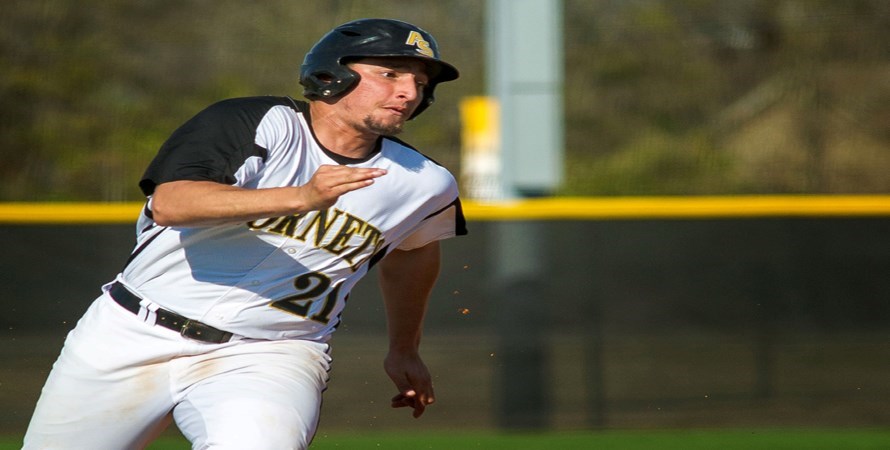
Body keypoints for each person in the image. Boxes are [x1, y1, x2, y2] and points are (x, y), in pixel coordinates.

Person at [23, 18, 465, 450]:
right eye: (389, 75)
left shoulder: (424, 181)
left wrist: (404, 347)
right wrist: (300, 197)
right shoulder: (255, 122)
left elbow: (414, 250)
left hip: (270, 354)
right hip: (132, 332)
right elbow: (172, 203)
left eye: (420, 84)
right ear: (333, 74)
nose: (408, 92)